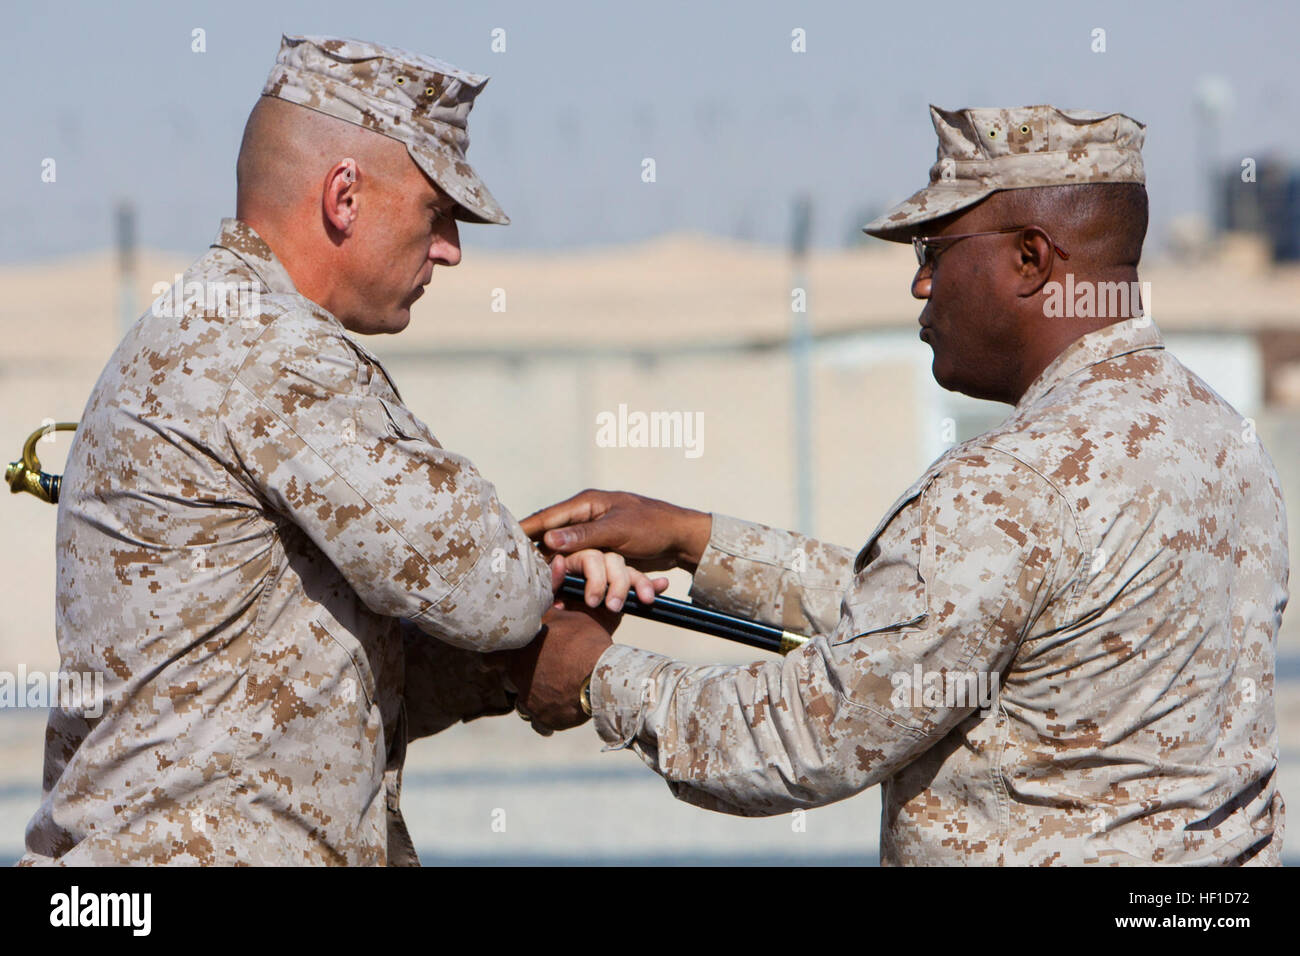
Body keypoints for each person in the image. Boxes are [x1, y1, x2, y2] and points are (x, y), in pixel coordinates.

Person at [513, 105, 1289, 865]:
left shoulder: (1012, 480)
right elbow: (953, 622)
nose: (921, 286)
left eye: (934, 250)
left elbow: (816, 733)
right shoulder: (1220, 439)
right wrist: (698, 541)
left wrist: (595, 678)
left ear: (1031, 259)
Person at [21, 34, 661, 867]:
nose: (451, 251)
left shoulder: (205, 327)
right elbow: (486, 590)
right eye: (437, 215)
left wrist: (526, 637)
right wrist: (541, 577)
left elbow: (314, 684)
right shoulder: (274, 354)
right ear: (344, 196)